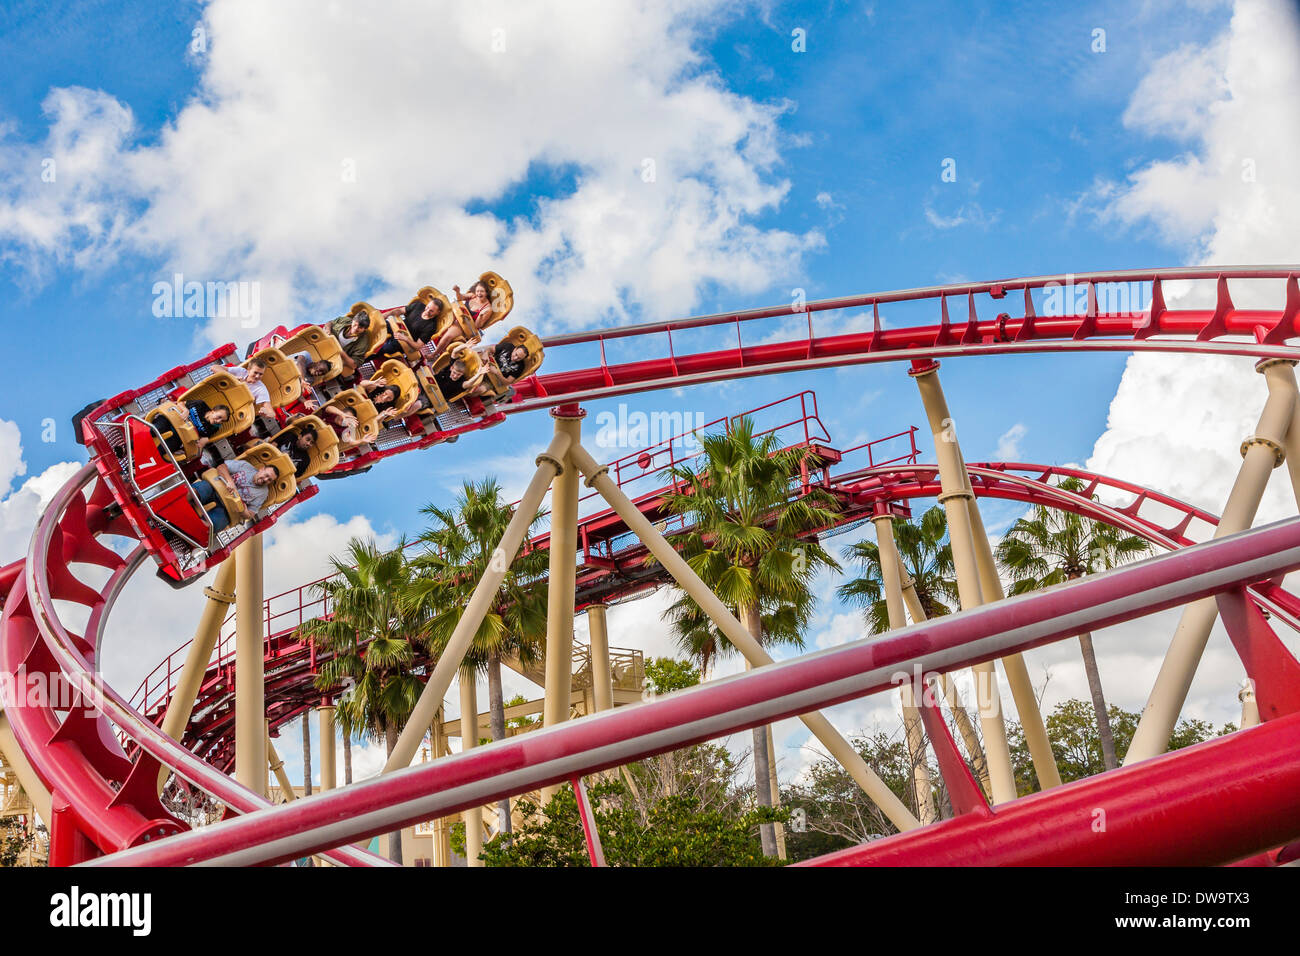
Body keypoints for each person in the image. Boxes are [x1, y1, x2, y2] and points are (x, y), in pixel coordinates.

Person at [192, 459, 279, 532]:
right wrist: (230, 481)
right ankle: (180, 505)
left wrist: (244, 512)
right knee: (194, 492)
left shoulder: (263, 493)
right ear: (261, 469)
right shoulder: (245, 466)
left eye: (269, 480)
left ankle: (190, 528)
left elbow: (250, 514)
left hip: (227, 509)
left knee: (210, 525)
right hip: (214, 488)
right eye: (266, 475)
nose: (265, 479)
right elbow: (221, 467)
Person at [431, 280, 494, 355]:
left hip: (465, 325)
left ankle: (434, 354)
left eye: (482, 291)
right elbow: (460, 298)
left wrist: (480, 316)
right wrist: (457, 291)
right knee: (441, 314)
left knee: (448, 335)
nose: (479, 294)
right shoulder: (473, 296)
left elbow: (477, 325)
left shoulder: (487, 308)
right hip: (456, 315)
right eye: (478, 291)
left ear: (486, 293)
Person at [154, 399, 231, 461]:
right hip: (169, 421)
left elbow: (205, 438)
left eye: (222, 421)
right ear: (213, 411)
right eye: (219, 417)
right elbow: (180, 403)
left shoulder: (214, 427)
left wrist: (204, 441)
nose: (218, 421)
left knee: (159, 451)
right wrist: (185, 410)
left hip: (178, 437)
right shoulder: (200, 404)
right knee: (153, 431)